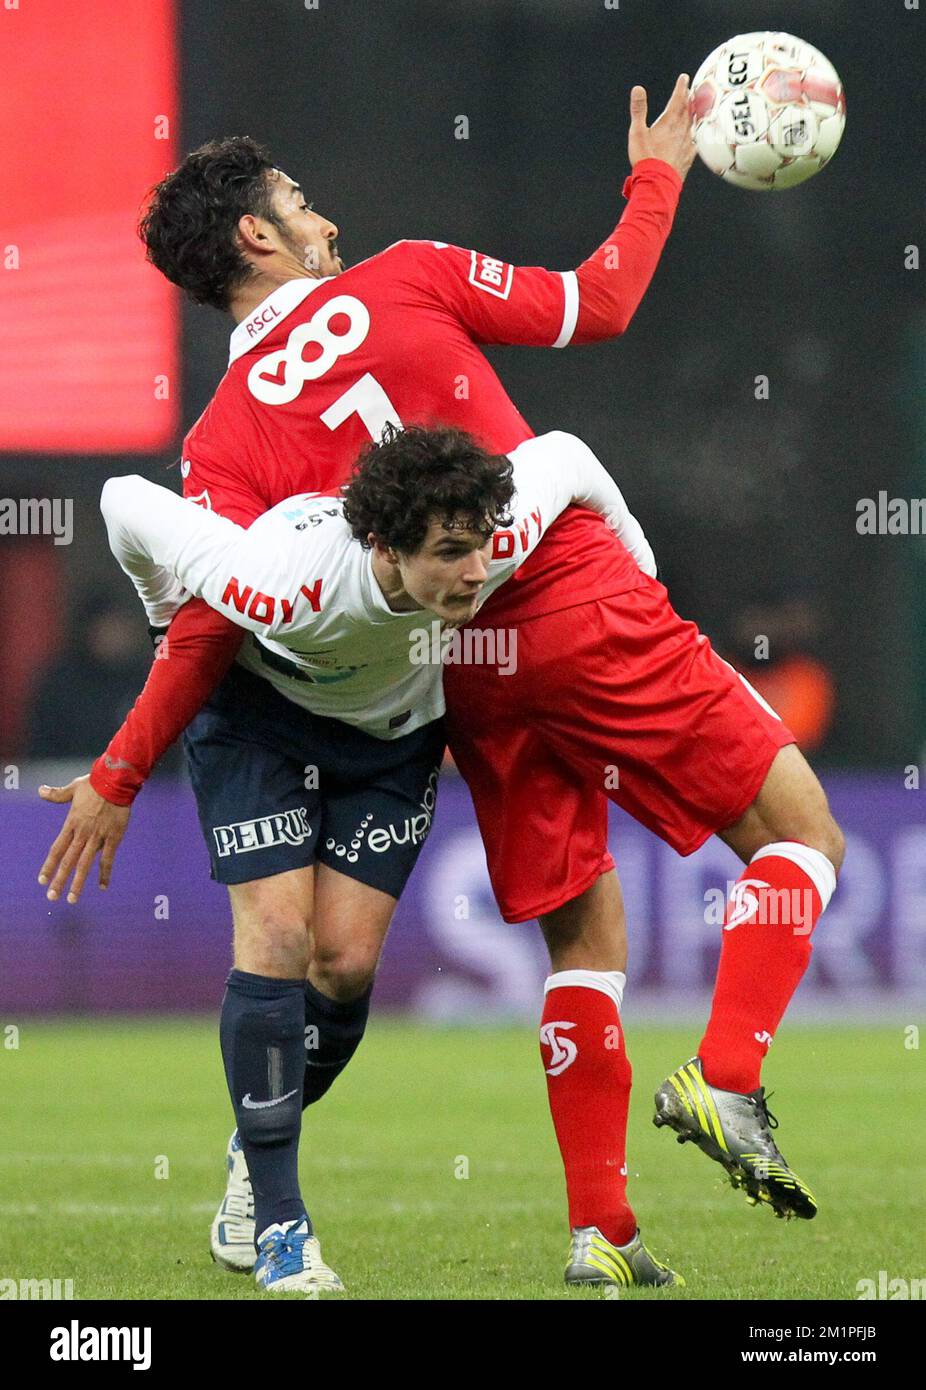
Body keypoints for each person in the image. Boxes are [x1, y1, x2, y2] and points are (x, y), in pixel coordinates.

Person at [37, 86, 842, 1288]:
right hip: (563, 595)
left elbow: (215, 612)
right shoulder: (407, 274)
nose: (324, 213)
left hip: (454, 673)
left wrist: (128, 759)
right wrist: (658, 174)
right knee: (805, 838)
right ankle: (727, 1076)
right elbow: (601, 302)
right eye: (298, 202)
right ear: (257, 236)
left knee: (583, 925)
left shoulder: (215, 444)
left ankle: (599, 1234)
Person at [100, 425, 662, 1293]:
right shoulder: (278, 583)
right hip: (259, 727)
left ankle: (253, 1145)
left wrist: (644, 584)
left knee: (347, 963)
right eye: (448, 554)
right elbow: (123, 502)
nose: (476, 572)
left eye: (479, 549)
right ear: (384, 549)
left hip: (392, 743)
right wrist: (158, 612)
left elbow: (573, 455)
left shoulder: (490, 541)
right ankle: (282, 1229)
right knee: (281, 940)